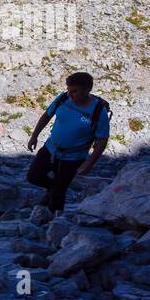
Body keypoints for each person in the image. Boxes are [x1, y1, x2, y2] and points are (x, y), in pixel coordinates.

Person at [25, 71, 110, 214]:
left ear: (87, 90)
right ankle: (52, 189)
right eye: (68, 90)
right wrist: (34, 136)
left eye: (75, 91)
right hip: (51, 148)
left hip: (73, 157)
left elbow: (102, 139)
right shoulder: (63, 99)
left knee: (59, 193)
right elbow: (47, 115)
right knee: (33, 176)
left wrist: (89, 163)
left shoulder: (98, 111)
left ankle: (55, 222)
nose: (70, 95)